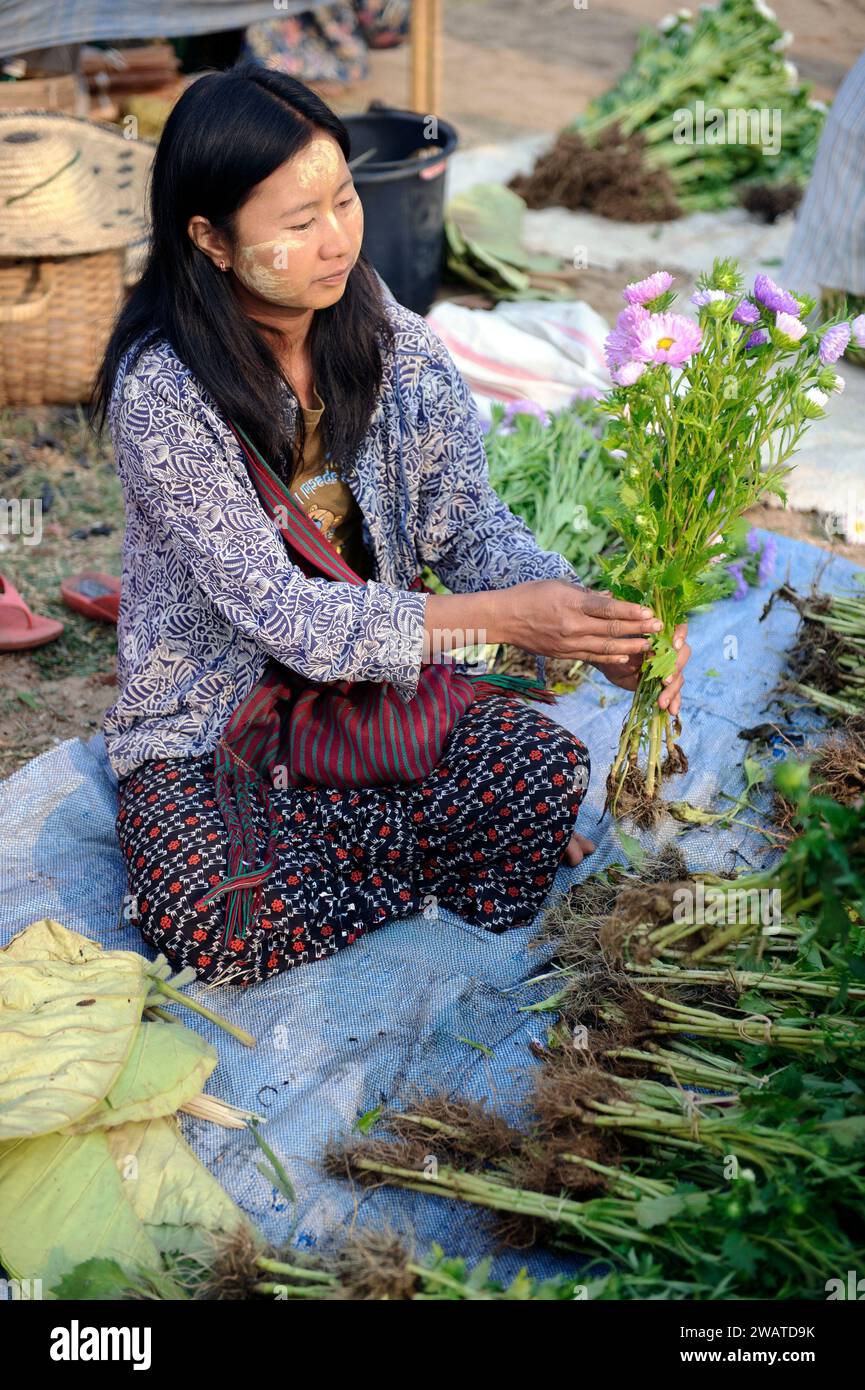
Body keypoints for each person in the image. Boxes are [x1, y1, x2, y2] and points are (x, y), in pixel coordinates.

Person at [91, 63, 690, 988]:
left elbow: (467, 529)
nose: (337, 240)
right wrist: (503, 624)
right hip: (221, 727)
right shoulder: (163, 392)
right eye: (299, 223)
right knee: (211, 927)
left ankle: (391, 852)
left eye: (343, 200)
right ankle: (429, 859)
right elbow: (293, 620)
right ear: (209, 238)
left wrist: (583, 613)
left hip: (369, 695)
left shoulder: (385, 334)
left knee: (538, 771)